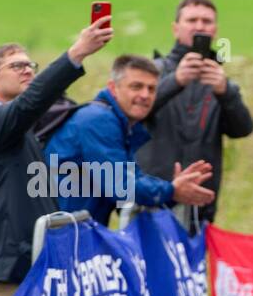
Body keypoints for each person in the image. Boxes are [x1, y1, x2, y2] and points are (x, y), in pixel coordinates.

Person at [0, 19, 114, 296]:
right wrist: (76, 54)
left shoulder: (22, 134)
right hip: (0, 279)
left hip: (31, 273)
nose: (27, 69)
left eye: (30, 65)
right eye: (16, 65)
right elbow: (29, 103)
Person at [44, 55, 215, 226]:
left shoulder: (121, 124)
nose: (145, 95)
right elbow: (121, 185)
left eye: (152, 89)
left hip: (75, 228)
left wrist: (173, 190)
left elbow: (133, 178)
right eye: (136, 87)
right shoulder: (98, 120)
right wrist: (171, 191)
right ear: (113, 88)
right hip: (58, 231)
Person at [135, 0, 253, 230]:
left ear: (215, 30)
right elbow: (133, 112)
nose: (200, 26)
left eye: (207, 21)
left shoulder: (219, 80)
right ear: (175, 28)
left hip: (200, 203)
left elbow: (243, 129)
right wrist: (175, 81)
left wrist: (225, 92)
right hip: (153, 197)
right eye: (192, 20)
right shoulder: (152, 72)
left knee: (194, 266)